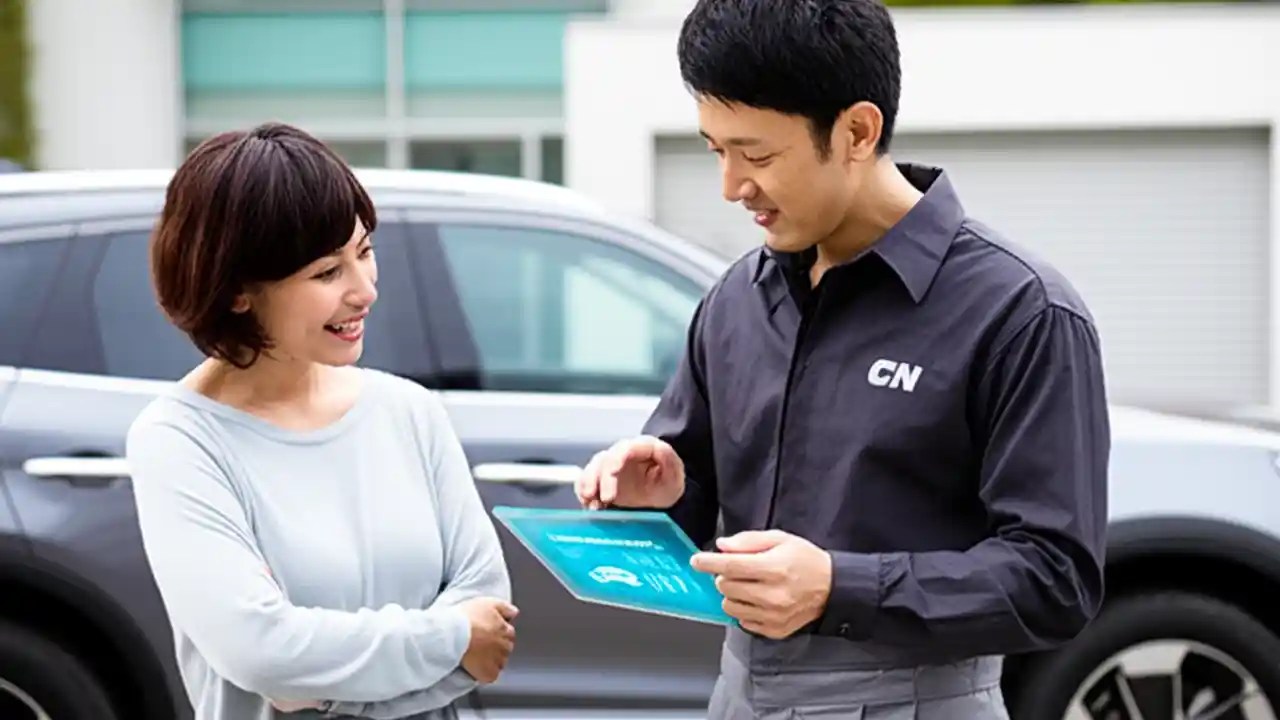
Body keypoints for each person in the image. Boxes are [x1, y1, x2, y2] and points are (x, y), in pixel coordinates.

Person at [575, 1, 1109, 717]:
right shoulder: (736, 299)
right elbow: (699, 502)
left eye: (757, 155)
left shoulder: (1022, 312)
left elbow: (1056, 579)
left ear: (858, 131)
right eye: (716, 150)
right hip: (737, 693)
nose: (732, 186)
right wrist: (665, 495)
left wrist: (838, 585)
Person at [126, 122, 516, 720]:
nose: (365, 292)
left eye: (365, 253)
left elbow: (488, 614)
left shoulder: (409, 412)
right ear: (236, 291)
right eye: (327, 273)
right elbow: (259, 650)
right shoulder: (180, 442)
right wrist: (448, 640)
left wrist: (322, 689)